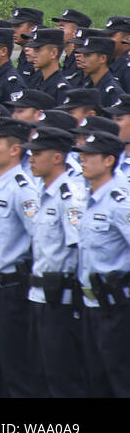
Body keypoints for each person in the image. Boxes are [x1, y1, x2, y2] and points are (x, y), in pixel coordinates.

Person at [0, 118, 41, 398]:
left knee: (15, 370)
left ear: (15, 149)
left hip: (10, 290)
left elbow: (39, 236)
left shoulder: (22, 188)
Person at [22, 128, 88, 397]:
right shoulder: (41, 192)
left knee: (62, 376)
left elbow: (78, 249)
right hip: (38, 294)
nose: (32, 158)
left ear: (58, 157)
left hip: (59, 298)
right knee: (40, 372)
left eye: (38, 153)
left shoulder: (67, 196)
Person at [76, 130, 130, 396]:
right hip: (90, 304)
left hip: (115, 307)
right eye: (82, 156)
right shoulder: (91, 199)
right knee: (95, 379)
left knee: (118, 379)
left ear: (109, 160)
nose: (83, 160)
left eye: (89, 156)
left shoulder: (119, 203)